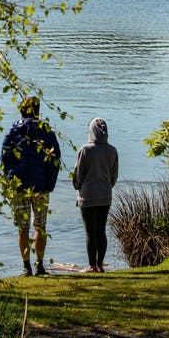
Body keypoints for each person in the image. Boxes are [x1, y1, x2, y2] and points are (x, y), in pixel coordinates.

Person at [1, 96, 61, 277]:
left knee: (23, 228)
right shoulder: (47, 131)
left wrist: (10, 178)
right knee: (40, 227)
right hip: (41, 186)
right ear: (38, 111)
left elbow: (5, 158)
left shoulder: (13, 131)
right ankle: (39, 265)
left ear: (22, 110)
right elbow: (55, 159)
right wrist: (50, 183)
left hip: (19, 187)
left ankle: (26, 267)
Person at [72, 117, 118, 273]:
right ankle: (100, 264)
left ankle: (91, 265)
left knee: (90, 232)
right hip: (105, 195)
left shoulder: (85, 150)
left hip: (87, 196)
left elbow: (78, 174)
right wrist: (107, 186)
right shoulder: (112, 150)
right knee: (101, 230)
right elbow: (114, 176)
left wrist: (78, 187)